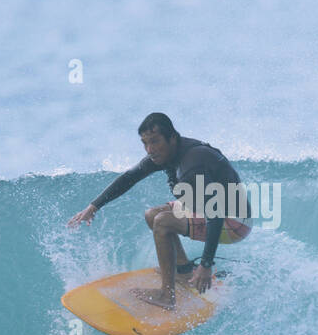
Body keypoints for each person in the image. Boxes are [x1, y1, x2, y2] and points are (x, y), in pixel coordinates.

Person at [67, 113, 251, 310]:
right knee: (152, 215)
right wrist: (94, 206)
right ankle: (183, 271)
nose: (149, 150)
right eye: (145, 143)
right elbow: (130, 177)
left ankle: (166, 296)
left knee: (163, 221)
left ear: (172, 137)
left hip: (234, 222)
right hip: (209, 209)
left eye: (154, 142)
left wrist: (206, 265)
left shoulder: (192, 164)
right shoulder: (170, 153)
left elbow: (215, 214)